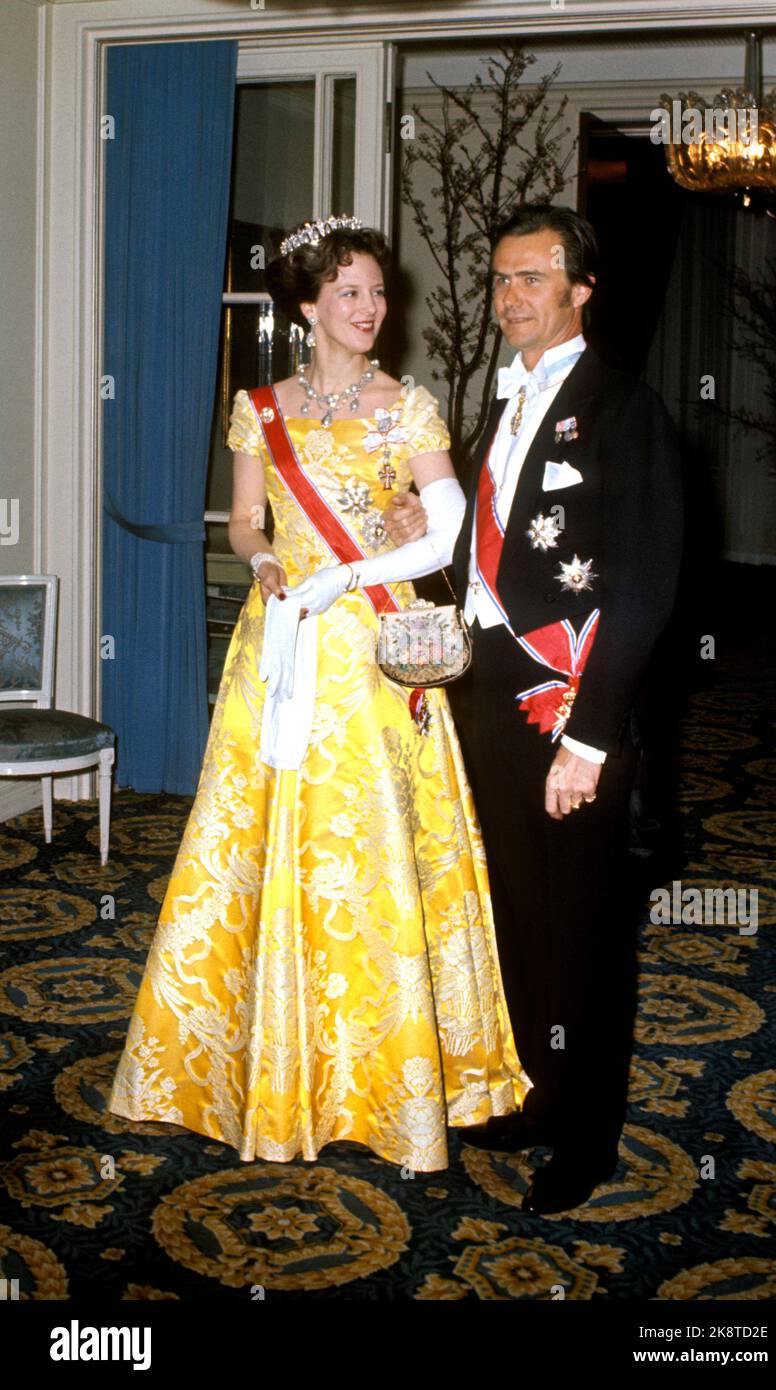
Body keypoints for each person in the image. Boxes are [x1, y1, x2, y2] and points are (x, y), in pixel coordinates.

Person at [108, 215, 526, 1171]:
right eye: (350, 293)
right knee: (256, 843)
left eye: (378, 293)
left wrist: (367, 559)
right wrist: (261, 563)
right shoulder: (260, 410)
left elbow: (445, 531)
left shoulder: (409, 406)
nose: (370, 309)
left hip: (373, 649)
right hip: (282, 640)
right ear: (307, 307)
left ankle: (385, 1077)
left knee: (368, 850)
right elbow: (246, 522)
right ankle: (250, 1064)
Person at [385, 203, 683, 1213]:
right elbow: (488, 564)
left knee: (585, 931)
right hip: (488, 695)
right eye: (500, 280)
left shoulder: (624, 408)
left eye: (530, 279)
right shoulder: (502, 405)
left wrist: (589, 740)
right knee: (511, 909)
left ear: (578, 289)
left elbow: (640, 586)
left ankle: (585, 1135)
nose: (509, 298)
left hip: (572, 701)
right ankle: (532, 1090)